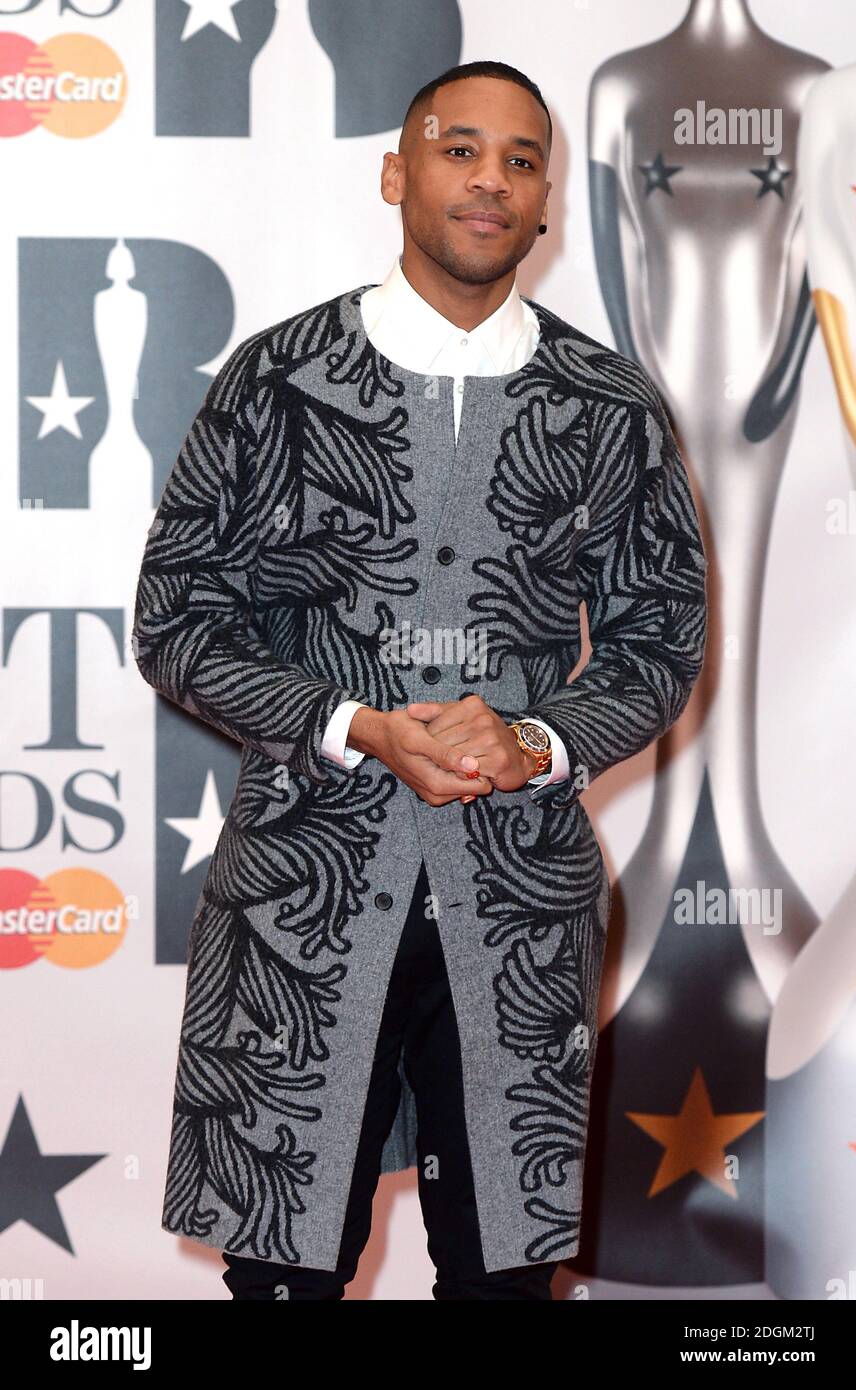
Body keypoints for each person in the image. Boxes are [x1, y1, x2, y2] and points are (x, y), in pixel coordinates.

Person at [132, 59, 708, 1301]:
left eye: (518, 159)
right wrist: (348, 724)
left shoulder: (608, 405)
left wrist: (539, 740)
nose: (488, 181)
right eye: (459, 150)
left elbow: (663, 636)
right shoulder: (276, 381)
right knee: (281, 1272)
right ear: (398, 174)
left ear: (547, 197)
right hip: (301, 903)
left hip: (515, 915)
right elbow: (177, 620)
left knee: (502, 1278)